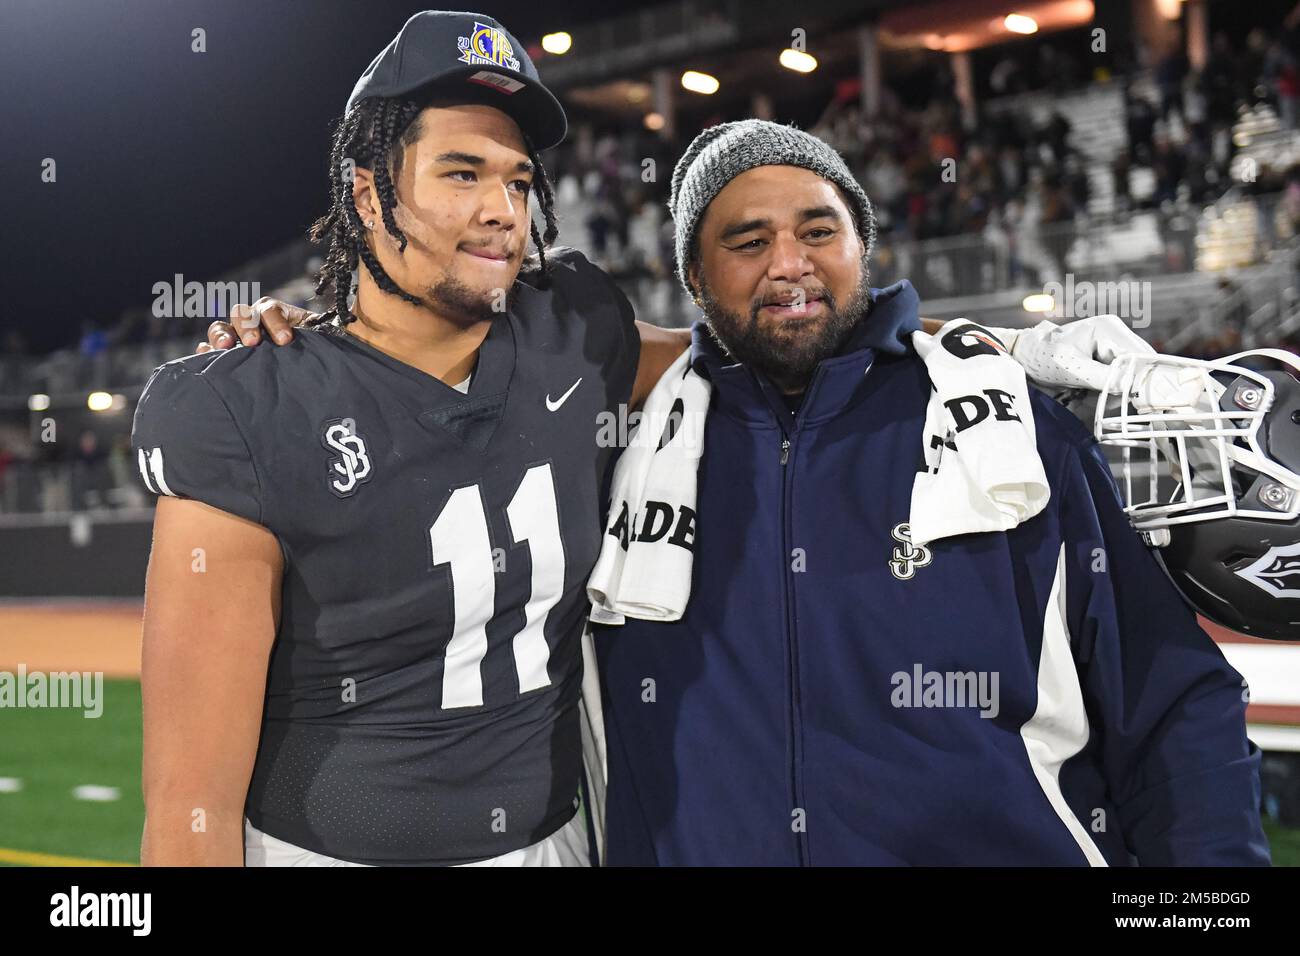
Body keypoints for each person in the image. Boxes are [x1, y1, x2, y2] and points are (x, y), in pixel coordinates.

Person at [589, 121, 1269, 865]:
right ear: (693, 275)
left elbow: (1171, 702)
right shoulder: (624, 447)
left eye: (820, 231)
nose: (790, 263)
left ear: (863, 246)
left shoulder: (1005, 423)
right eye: (748, 243)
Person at [134, 10, 686, 867]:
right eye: (460, 174)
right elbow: (187, 807)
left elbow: (731, 366)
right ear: (366, 193)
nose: (501, 210)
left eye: (516, 180)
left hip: (556, 844)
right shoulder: (253, 402)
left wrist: (913, 338)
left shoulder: (576, 328)